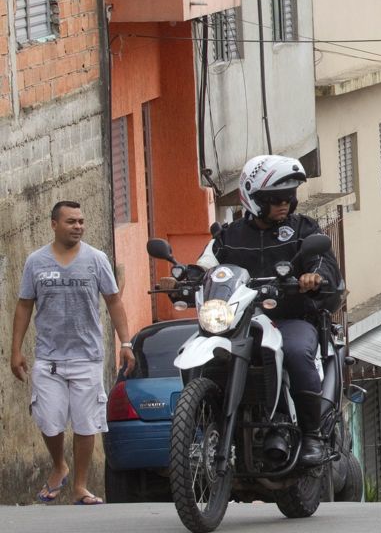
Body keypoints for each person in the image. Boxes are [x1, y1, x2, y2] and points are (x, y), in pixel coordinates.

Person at [159, 155, 343, 467]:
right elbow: (205, 267)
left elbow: (322, 262)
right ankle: (209, 420)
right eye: (275, 199)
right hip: (239, 321)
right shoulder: (228, 236)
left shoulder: (303, 229)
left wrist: (314, 277)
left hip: (290, 318)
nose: (284, 204)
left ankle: (312, 434)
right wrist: (181, 281)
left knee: (296, 352)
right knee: (199, 344)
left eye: (289, 197)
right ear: (254, 199)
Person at [10, 201, 137, 506]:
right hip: (48, 357)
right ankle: (59, 466)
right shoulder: (36, 261)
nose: (78, 226)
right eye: (71, 222)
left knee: (85, 423)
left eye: (81, 221)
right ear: (54, 224)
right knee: (48, 420)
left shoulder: (96, 259)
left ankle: (80, 487)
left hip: (87, 356)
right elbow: (24, 305)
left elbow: (114, 301)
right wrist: (15, 350)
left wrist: (125, 343)